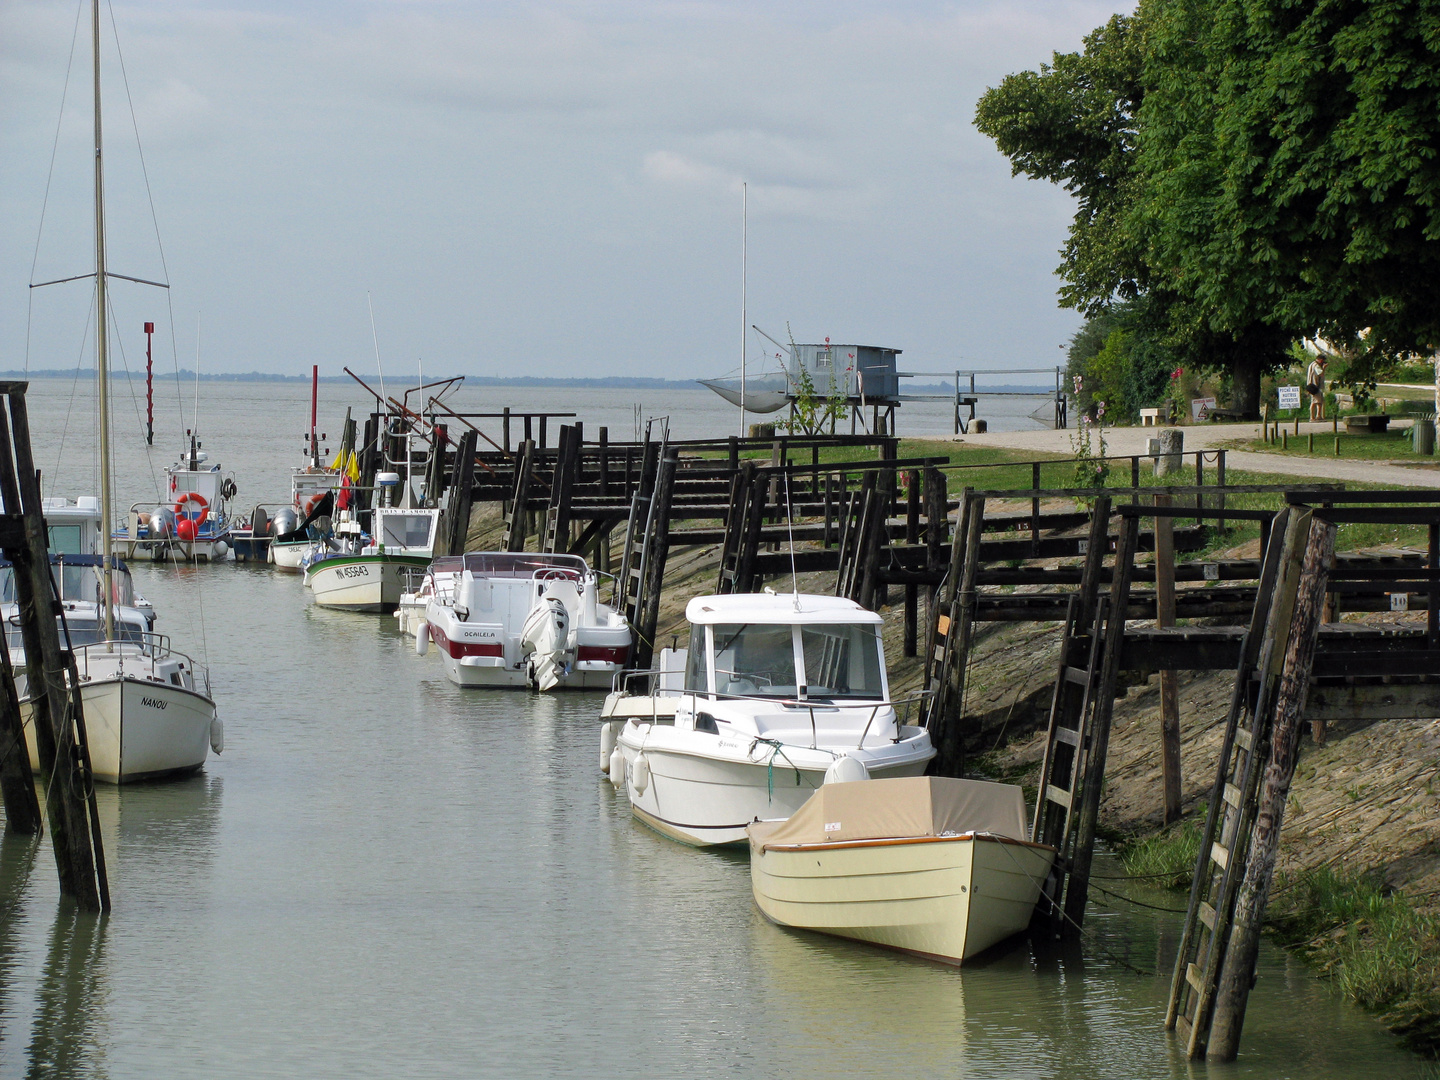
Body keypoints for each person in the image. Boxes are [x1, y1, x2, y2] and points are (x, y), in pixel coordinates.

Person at [1306, 353, 1328, 422]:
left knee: (1319, 401)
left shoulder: (1312, 364)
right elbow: (1321, 374)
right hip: (1314, 386)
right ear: (1320, 360)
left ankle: (1318, 416)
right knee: (1314, 402)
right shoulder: (1316, 366)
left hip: (1313, 385)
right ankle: (1312, 417)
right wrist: (1324, 368)